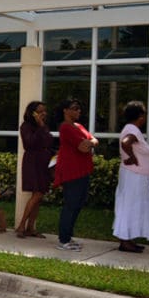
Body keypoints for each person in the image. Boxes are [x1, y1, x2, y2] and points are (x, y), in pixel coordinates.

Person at [53, 98, 97, 251]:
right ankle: (63, 240)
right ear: (65, 110)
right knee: (71, 205)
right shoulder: (65, 127)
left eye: (79, 108)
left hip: (83, 169)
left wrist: (89, 142)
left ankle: (68, 237)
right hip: (72, 171)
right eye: (75, 108)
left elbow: (93, 140)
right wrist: (89, 143)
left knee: (78, 204)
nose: (78, 111)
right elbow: (84, 147)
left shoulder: (78, 126)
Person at [112, 101, 149, 253]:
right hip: (134, 177)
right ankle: (125, 241)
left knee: (133, 207)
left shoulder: (132, 129)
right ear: (141, 117)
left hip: (135, 176)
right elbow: (125, 143)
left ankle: (128, 239)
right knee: (129, 206)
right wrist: (132, 157)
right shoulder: (132, 130)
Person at [15, 101, 53, 238]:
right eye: (40, 111)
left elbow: (49, 141)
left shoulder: (44, 126)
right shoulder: (26, 126)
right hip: (33, 161)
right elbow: (29, 143)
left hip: (43, 162)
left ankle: (31, 227)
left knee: (40, 195)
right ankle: (21, 225)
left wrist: (42, 126)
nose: (43, 114)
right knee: (36, 194)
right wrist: (39, 127)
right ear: (33, 113)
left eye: (45, 111)